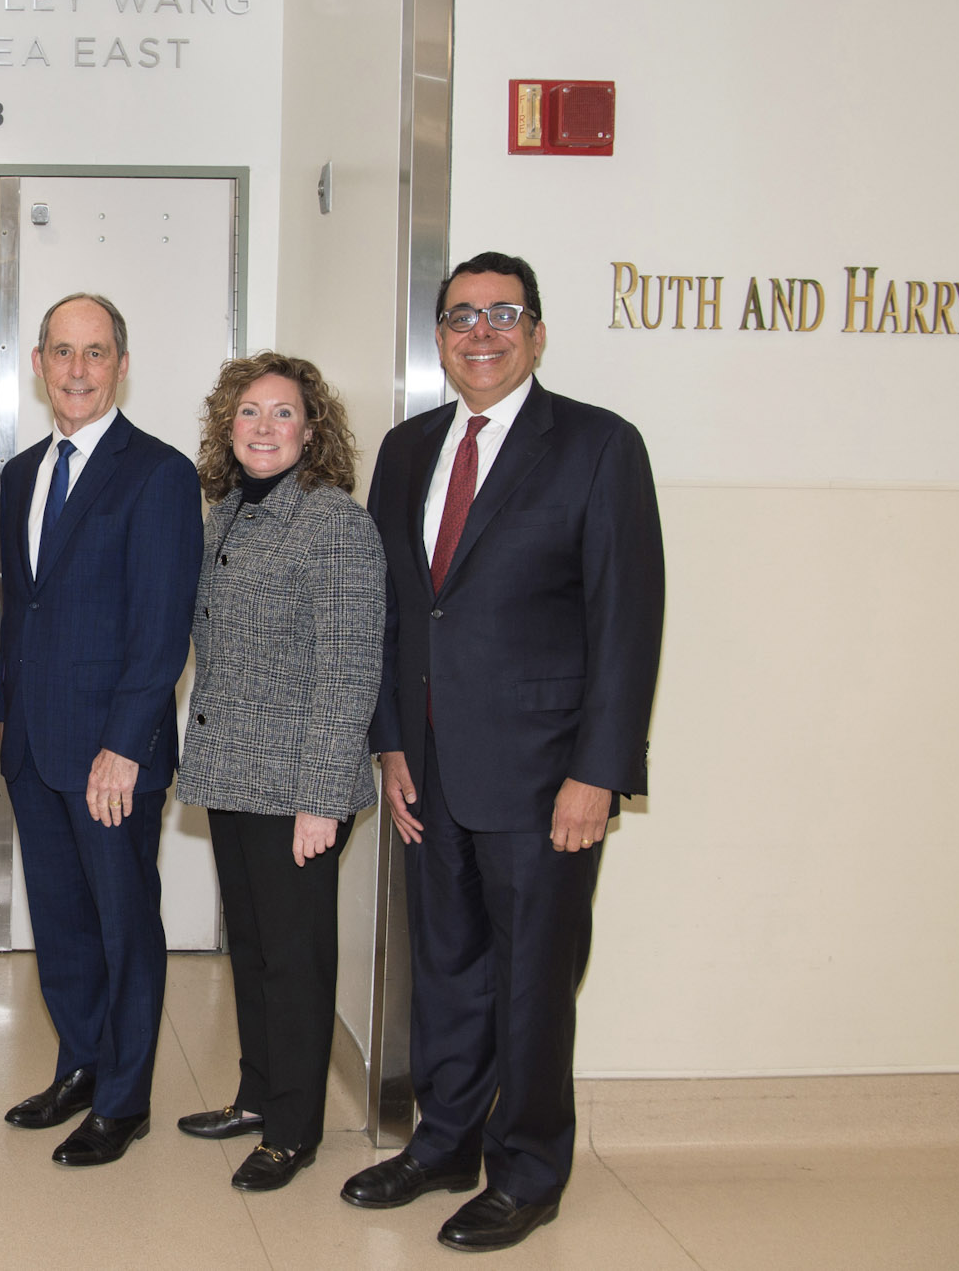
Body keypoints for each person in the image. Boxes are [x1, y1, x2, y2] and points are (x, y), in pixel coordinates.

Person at [343, 251, 664, 1251]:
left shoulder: (597, 447)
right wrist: (389, 743)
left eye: (500, 313)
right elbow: (393, 611)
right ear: (437, 337)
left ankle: (526, 1169)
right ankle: (442, 1141)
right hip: (426, 770)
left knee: (531, 981)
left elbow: (626, 619)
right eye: (457, 317)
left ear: (533, 331)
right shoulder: (403, 451)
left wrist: (597, 771)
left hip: (543, 777)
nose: (478, 332)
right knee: (442, 969)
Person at [0, 292, 202, 1167]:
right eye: (62, 352)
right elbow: (24, 607)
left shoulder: (158, 473)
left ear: (121, 364)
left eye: (96, 352)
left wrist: (126, 743)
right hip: (36, 746)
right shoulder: (19, 474)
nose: (78, 369)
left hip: (114, 753)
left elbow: (162, 628)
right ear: (39, 363)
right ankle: (79, 1064)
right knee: (63, 920)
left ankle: (124, 1098)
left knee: (125, 923)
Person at [172, 353, 386, 1193]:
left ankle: (294, 1127)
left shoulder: (333, 522)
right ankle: (258, 1093)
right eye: (249, 412)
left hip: (298, 781)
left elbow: (349, 666)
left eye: (283, 413)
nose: (264, 427)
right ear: (230, 427)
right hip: (232, 772)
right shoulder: (226, 513)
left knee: (295, 959)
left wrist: (321, 800)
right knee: (254, 949)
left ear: (312, 428)